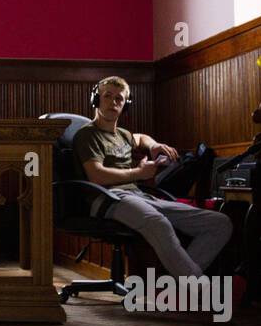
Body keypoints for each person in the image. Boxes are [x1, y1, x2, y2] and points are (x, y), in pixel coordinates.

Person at [73, 77, 235, 285]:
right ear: (96, 99)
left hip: (139, 196)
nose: (113, 102)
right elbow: (97, 175)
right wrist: (138, 174)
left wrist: (154, 145)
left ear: (126, 105)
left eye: (119, 99)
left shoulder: (123, 134)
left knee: (219, 223)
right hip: (108, 197)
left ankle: (177, 286)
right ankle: (200, 289)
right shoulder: (87, 135)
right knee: (158, 223)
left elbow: (140, 138)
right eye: (107, 96)